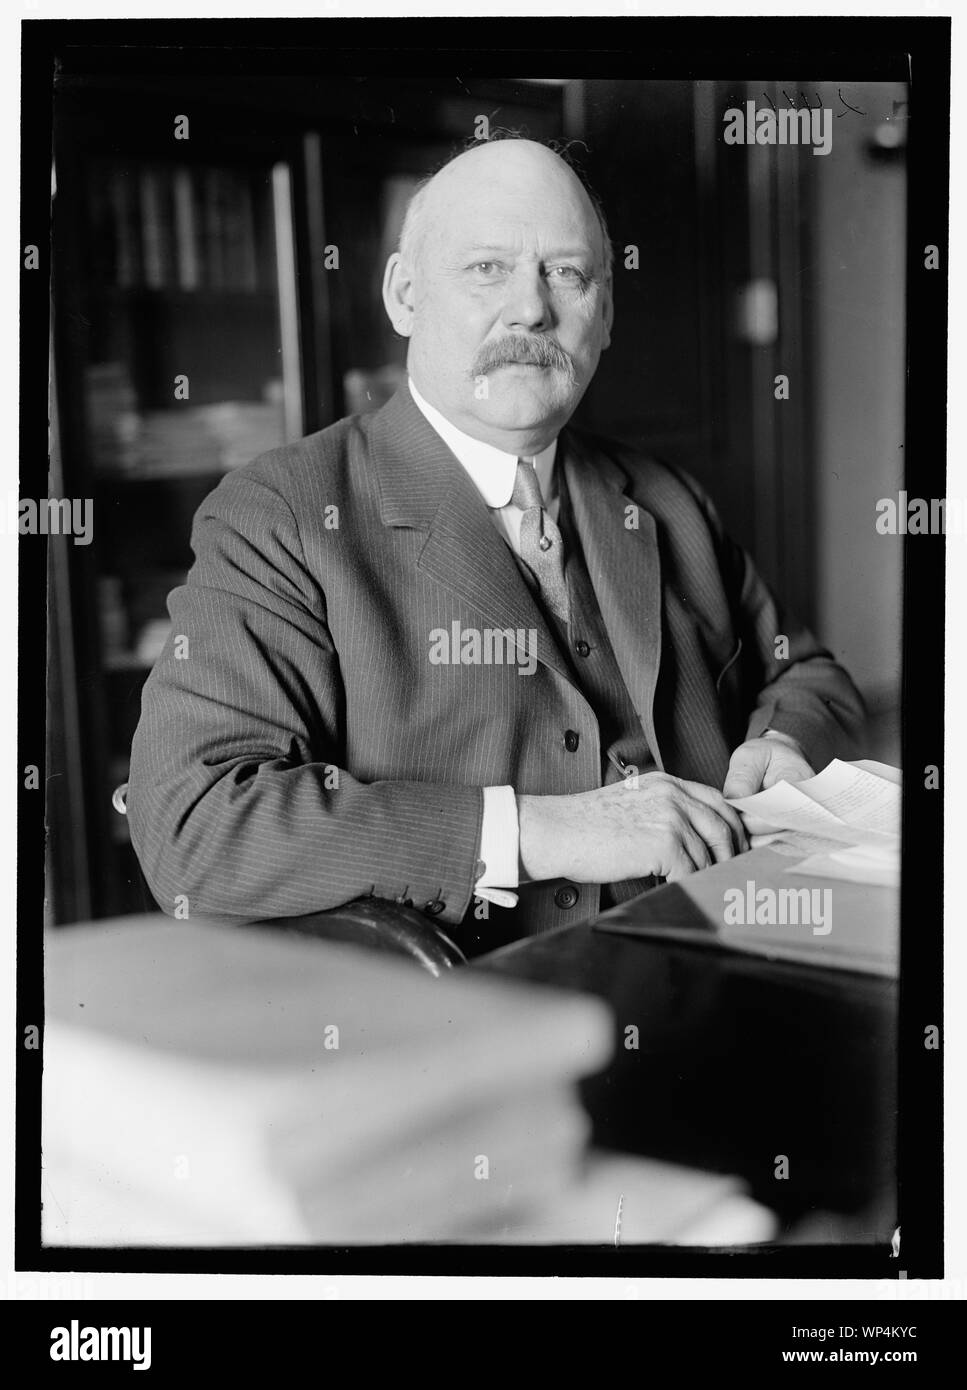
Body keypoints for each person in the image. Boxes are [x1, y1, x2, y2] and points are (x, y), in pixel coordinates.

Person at [127, 135, 864, 954]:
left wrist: (784, 741)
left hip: (727, 959)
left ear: (606, 315)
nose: (530, 308)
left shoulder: (663, 496)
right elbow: (193, 824)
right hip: (476, 1024)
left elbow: (806, 672)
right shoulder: (284, 514)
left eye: (567, 273)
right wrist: (536, 830)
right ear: (405, 296)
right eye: (487, 269)